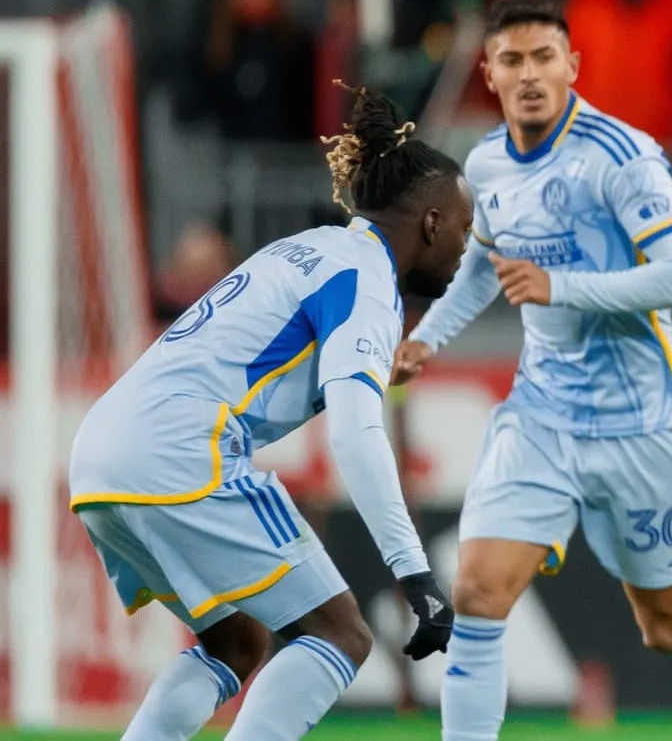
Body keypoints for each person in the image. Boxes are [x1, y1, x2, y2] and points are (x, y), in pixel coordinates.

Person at [392, 0, 672, 741]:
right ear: (488, 74)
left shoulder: (620, 157)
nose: (529, 75)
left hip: (640, 423)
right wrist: (428, 338)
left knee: (669, 625)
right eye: (512, 61)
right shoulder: (485, 164)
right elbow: (486, 268)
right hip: (542, 415)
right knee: (479, 592)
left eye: (544, 57)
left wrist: (563, 287)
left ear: (572, 67)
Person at [70, 83, 467, 740]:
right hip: (180, 449)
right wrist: (413, 570)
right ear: (431, 223)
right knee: (338, 634)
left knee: (238, 641)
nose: (464, 249)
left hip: (103, 452)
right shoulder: (365, 282)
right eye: (464, 227)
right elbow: (356, 431)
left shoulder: (307, 248)